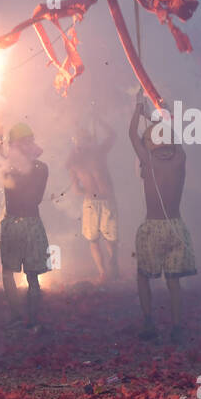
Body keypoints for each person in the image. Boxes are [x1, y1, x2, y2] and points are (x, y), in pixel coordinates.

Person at [130, 95, 195, 340]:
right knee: (173, 281)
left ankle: (149, 323)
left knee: (143, 276)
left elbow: (131, 134)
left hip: (153, 227)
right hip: (176, 226)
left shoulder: (148, 161)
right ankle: (177, 327)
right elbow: (175, 137)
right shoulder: (179, 158)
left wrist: (138, 109)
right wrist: (163, 117)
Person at [0, 123, 50, 329]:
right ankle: (32, 321)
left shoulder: (9, 166)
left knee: (9, 272)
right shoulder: (41, 167)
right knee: (32, 275)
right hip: (32, 223)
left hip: (14, 223)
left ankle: (18, 317)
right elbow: (37, 199)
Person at [66, 120, 119, 284]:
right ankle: (103, 272)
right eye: (80, 139)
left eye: (86, 138)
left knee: (111, 238)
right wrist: (89, 193)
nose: (83, 141)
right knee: (93, 239)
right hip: (91, 204)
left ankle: (113, 264)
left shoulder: (99, 152)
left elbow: (112, 135)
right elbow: (75, 188)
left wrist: (100, 119)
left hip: (107, 202)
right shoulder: (73, 161)